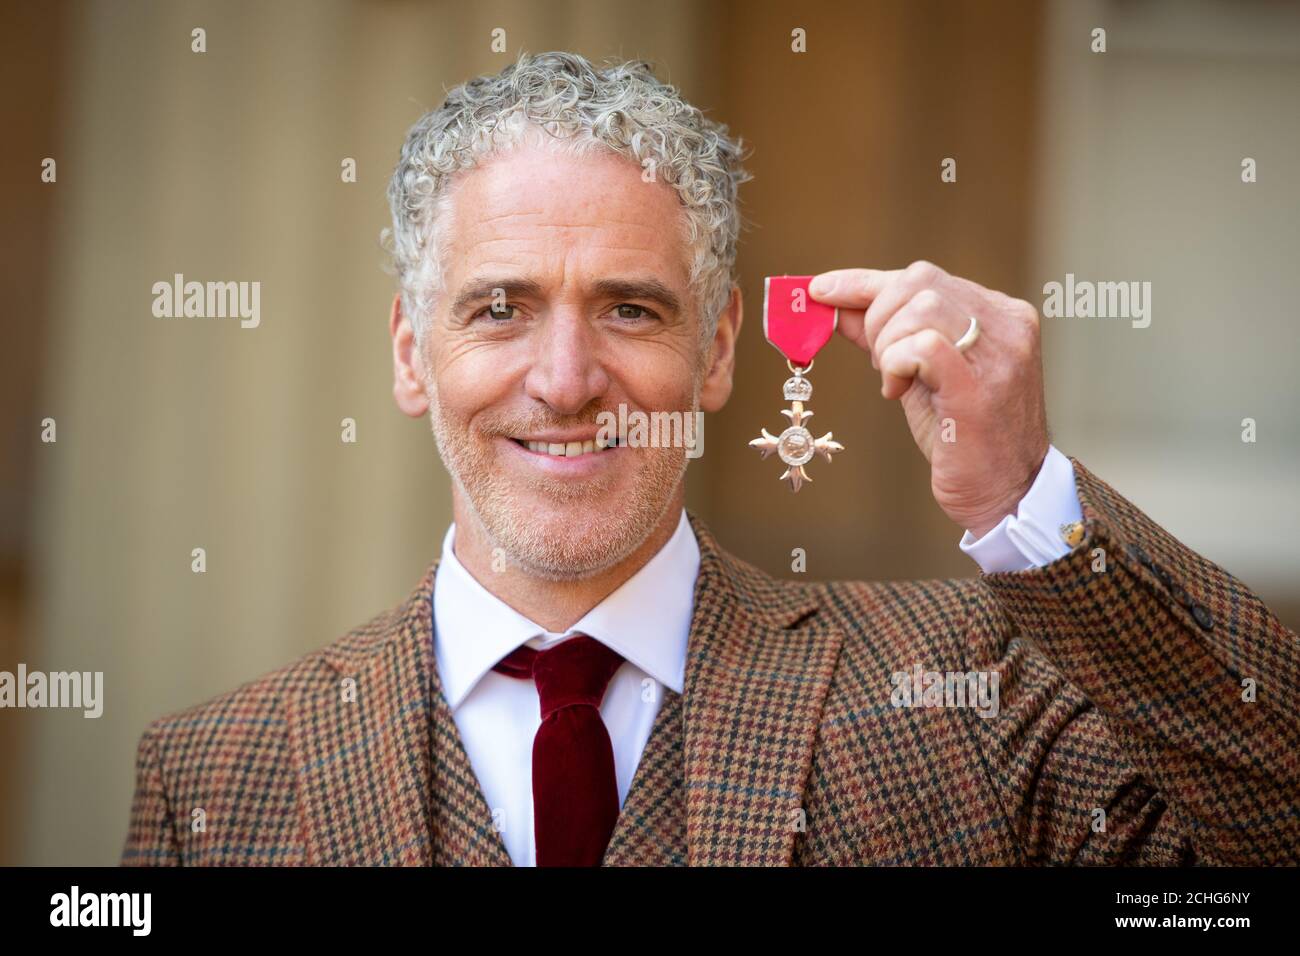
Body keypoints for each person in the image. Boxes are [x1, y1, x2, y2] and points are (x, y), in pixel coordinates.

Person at [122, 51, 1299, 867]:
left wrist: (1023, 496)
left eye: (631, 309)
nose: (567, 378)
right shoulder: (216, 773)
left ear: (721, 347)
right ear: (410, 351)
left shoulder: (965, 696)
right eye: (499, 307)